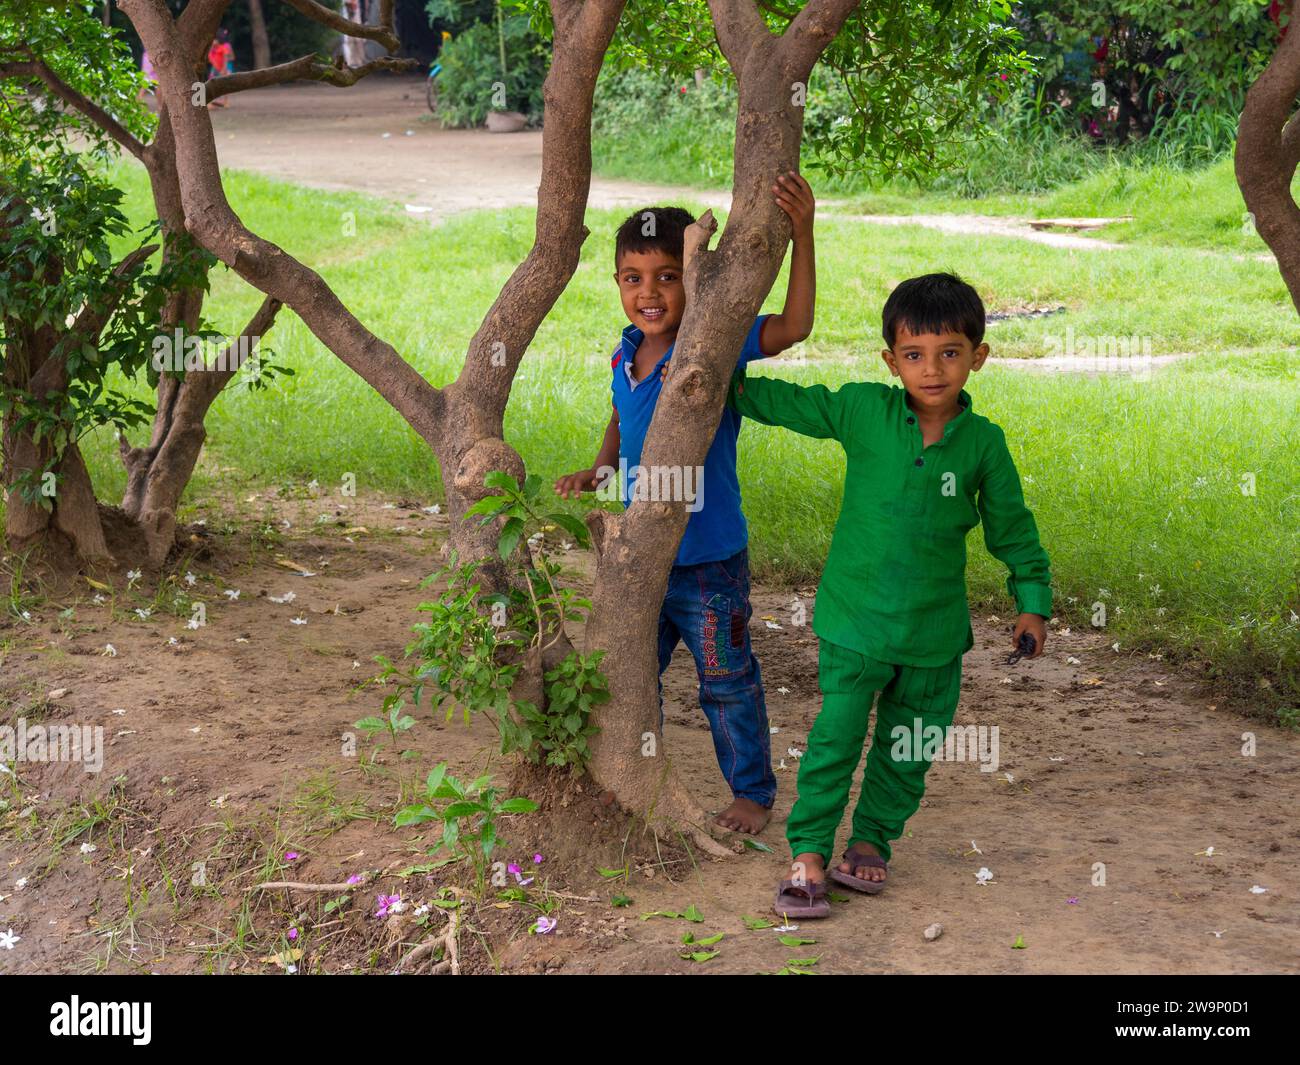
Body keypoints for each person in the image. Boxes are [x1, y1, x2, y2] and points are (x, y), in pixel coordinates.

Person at [725, 272, 1052, 916]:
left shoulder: (984, 445)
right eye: (914, 355)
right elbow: (782, 402)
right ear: (891, 360)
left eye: (950, 353)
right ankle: (811, 851)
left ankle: (872, 842)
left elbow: (1013, 529)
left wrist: (1032, 601)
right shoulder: (862, 411)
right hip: (855, 625)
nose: (932, 370)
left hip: (933, 639)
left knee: (908, 750)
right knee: (836, 739)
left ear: (978, 356)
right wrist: (708, 368)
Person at [554, 173, 817, 834]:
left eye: (667, 275)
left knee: (724, 680)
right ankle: (625, 777)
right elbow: (622, 409)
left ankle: (753, 793)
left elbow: (793, 326)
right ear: (616, 283)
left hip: (708, 562)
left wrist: (803, 235)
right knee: (626, 672)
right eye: (632, 277)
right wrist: (601, 466)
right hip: (643, 557)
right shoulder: (626, 349)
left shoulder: (714, 344)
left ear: (693, 279)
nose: (648, 292)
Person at [207, 29, 234, 109]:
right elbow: (209, 57)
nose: (213, 41)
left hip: (222, 69)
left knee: (224, 84)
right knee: (211, 84)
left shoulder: (224, 48)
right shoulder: (213, 49)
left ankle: (225, 102)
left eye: (215, 40)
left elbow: (227, 59)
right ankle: (210, 102)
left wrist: (224, 69)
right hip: (215, 69)